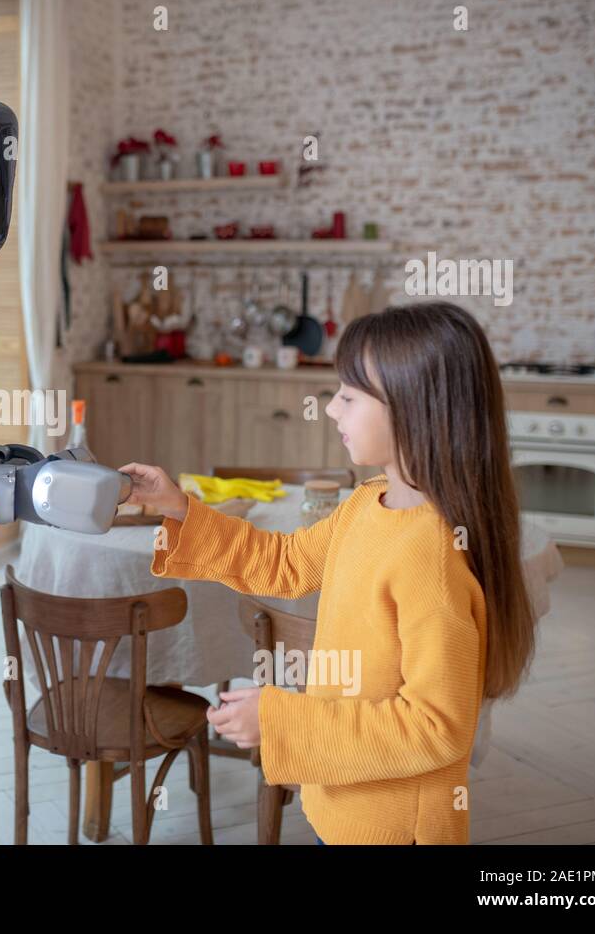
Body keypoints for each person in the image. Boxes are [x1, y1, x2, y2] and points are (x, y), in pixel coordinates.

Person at [119, 302, 536, 845]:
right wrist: (179, 507)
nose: (332, 409)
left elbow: (436, 731)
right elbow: (283, 563)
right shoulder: (366, 504)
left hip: (395, 829)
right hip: (342, 803)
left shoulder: (431, 557)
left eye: (349, 396)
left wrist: (281, 721)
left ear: (413, 408)